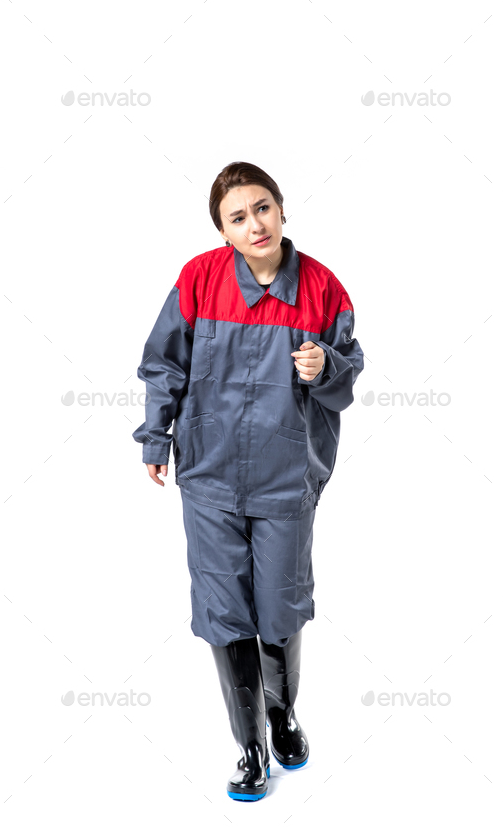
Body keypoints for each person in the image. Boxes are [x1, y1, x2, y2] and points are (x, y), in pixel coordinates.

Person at [132, 161, 364, 801]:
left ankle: (284, 714)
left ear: (282, 209)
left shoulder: (321, 289)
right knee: (223, 610)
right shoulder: (198, 280)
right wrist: (156, 435)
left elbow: (350, 374)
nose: (254, 223)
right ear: (223, 230)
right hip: (207, 476)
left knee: (281, 604)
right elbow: (163, 364)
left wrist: (326, 366)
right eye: (238, 217)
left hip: (288, 479)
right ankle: (251, 748)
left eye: (262, 207)